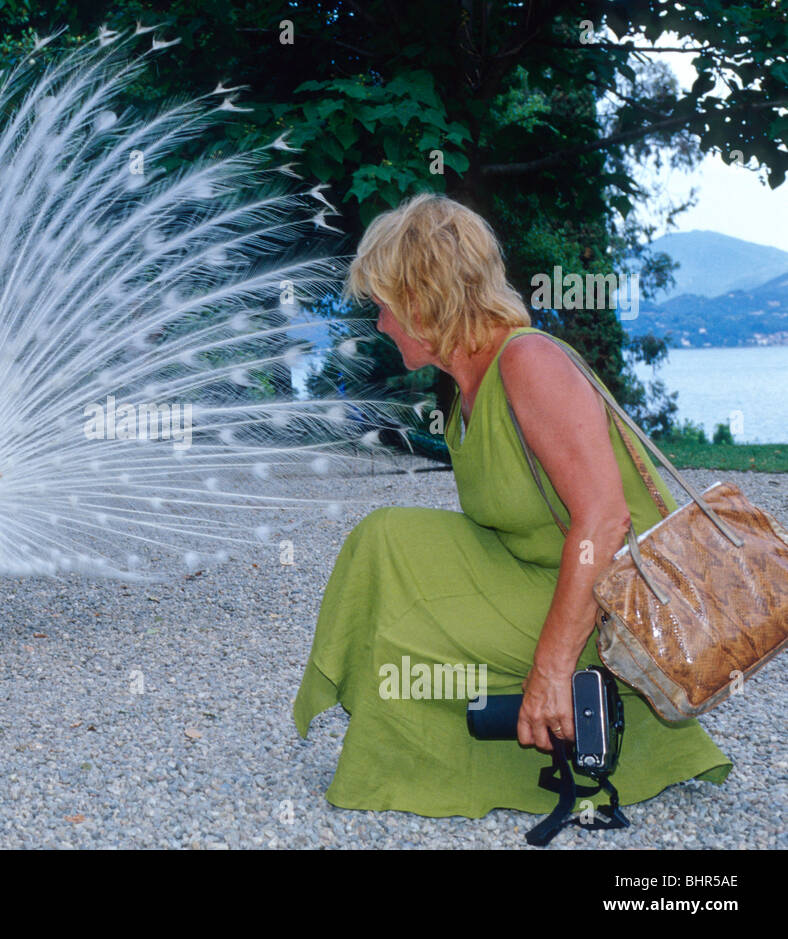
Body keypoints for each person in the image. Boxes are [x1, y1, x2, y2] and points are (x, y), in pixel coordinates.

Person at [293, 192, 731, 817]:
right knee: (384, 541)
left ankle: (553, 714)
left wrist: (551, 668)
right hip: (544, 579)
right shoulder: (463, 390)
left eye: (386, 307)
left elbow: (606, 519)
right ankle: (412, 756)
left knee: (394, 569)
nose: (382, 324)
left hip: (620, 613)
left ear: (425, 297)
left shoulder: (529, 363)